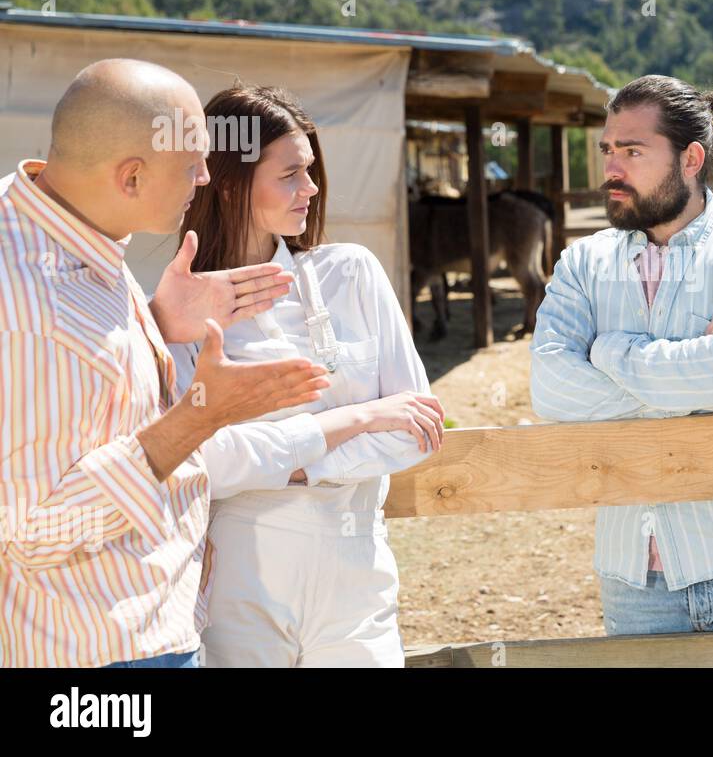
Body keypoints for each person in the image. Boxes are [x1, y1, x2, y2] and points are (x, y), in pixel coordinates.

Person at [0, 59, 328, 668]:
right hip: (105, 658)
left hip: (143, 631)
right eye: (191, 164)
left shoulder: (54, 225)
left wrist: (154, 323)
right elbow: (33, 531)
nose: (206, 178)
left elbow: (86, 402)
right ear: (131, 176)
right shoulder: (26, 308)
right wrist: (201, 417)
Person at [167, 84, 445, 667]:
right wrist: (357, 419)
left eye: (310, 170)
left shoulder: (351, 273)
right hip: (240, 579)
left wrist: (286, 466)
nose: (312, 188)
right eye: (291, 173)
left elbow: (415, 428)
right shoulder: (178, 312)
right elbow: (203, 462)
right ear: (229, 181)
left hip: (358, 574)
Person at [530, 75, 713, 635]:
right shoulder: (582, 264)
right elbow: (551, 388)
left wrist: (608, 351)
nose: (612, 168)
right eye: (608, 150)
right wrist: (691, 370)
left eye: (633, 151)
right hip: (634, 580)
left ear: (690, 158)